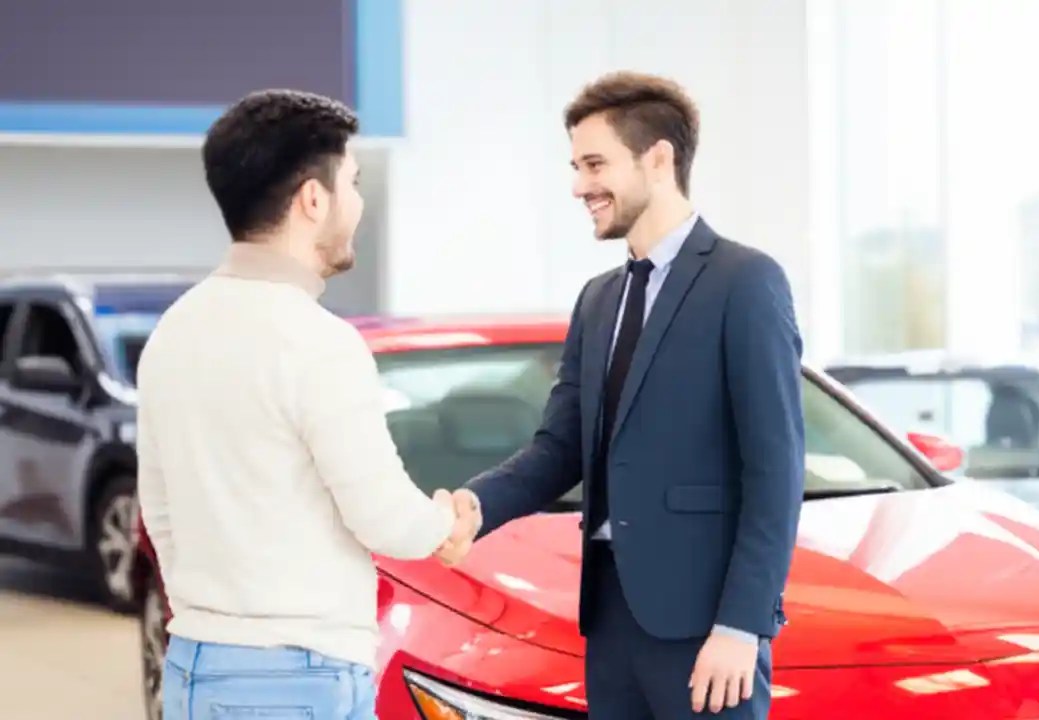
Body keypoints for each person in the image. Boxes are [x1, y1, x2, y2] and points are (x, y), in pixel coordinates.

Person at [437, 71, 805, 719]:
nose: (580, 186)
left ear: (658, 159)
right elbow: (562, 447)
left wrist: (742, 626)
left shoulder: (744, 281)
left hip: (703, 627)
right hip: (611, 617)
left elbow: (775, 469)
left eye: (595, 164)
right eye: (576, 166)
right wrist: (476, 504)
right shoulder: (599, 297)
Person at [135, 89, 468, 719]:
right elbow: (383, 518)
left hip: (194, 668)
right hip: (297, 677)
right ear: (313, 199)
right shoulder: (318, 341)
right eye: (353, 182)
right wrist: (446, 524)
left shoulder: (172, 332)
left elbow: (162, 512)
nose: (359, 203)